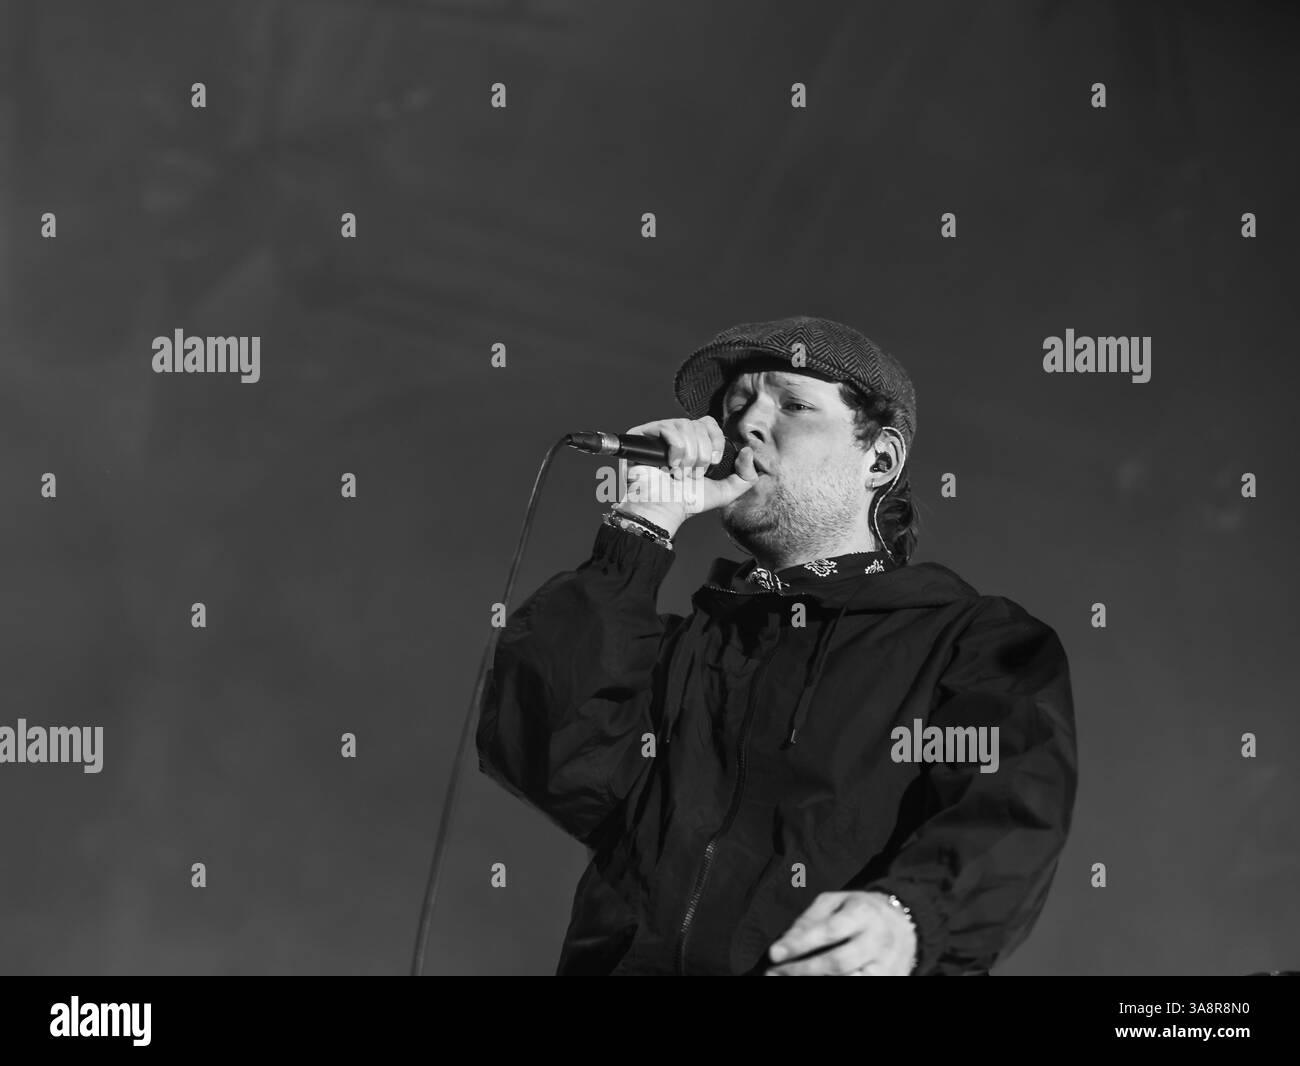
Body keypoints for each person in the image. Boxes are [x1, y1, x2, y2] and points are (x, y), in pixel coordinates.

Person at [476, 314, 1078, 976]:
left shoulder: (971, 641)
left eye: (792, 405)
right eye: (738, 406)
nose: (747, 425)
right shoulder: (681, 649)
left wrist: (907, 916)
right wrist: (640, 525)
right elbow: (549, 758)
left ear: (880, 457)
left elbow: (1010, 806)